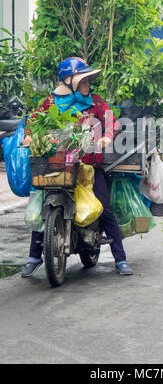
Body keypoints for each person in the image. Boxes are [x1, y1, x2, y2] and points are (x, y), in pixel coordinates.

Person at [21, 57, 133, 277]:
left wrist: (107, 137)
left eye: (88, 81)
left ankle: (120, 259)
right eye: (83, 80)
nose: (88, 85)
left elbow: (111, 121)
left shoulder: (96, 102)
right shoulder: (50, 103)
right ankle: (34, 256)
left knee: (105, 208)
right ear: (69, 81)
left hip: (88, 166)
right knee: (40, 209)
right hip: (58, 165)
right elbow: (34, 121)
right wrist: (28, 136)